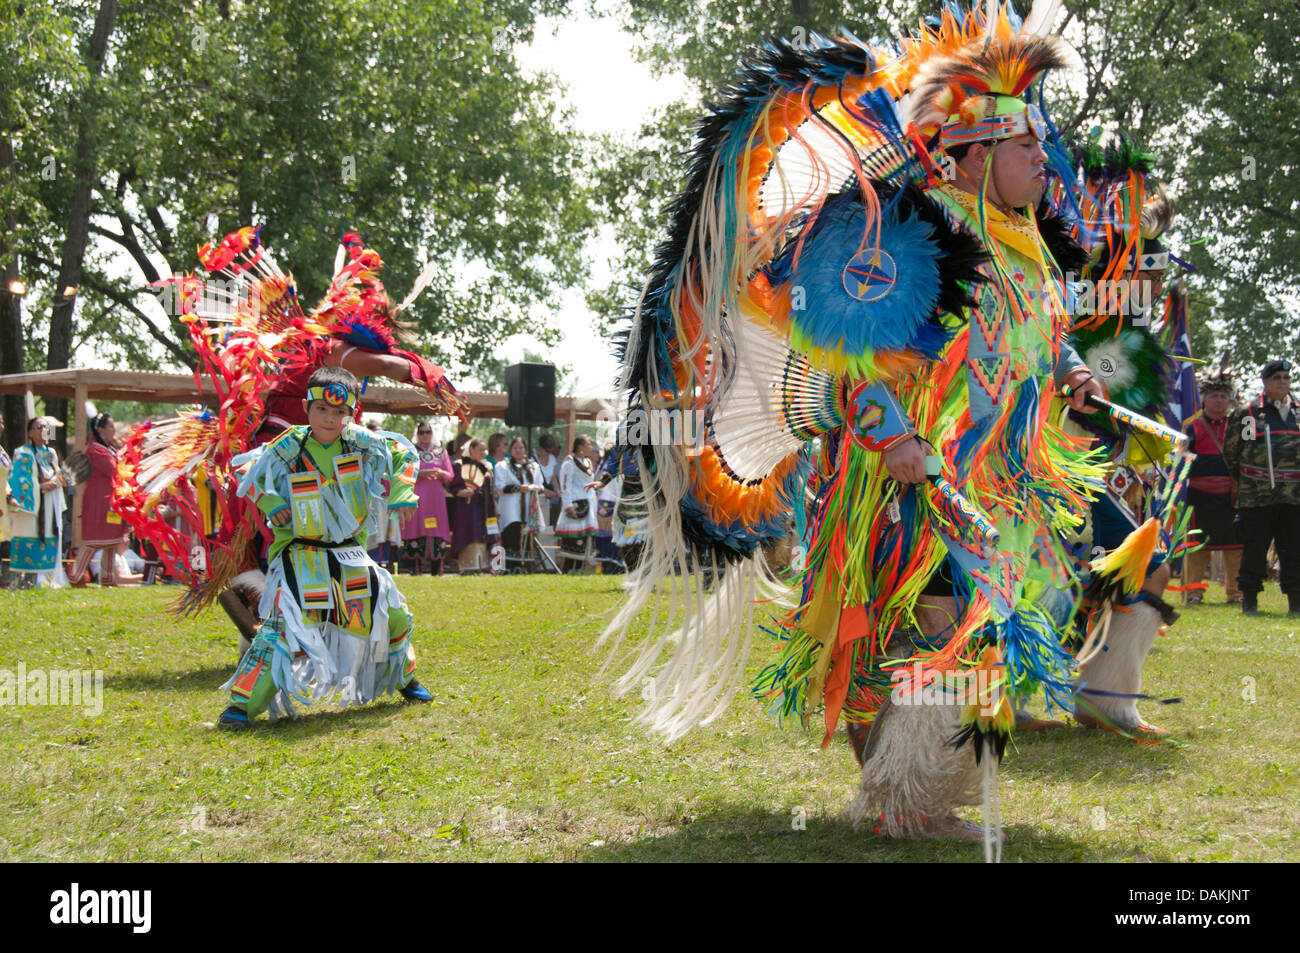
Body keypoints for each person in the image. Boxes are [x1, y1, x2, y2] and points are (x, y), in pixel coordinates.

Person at [600, 4, 1107, 848]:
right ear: (978, 151)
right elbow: (851, 356)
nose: (1041, 160)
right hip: (899, 476)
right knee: (930, 625)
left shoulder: (1027, 244)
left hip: (994, 479)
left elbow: (1037, 339)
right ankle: (903, 795)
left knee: (964, 627)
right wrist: (893, 437)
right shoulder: (913, 228)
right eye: (1026, 147)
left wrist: (1070, 372)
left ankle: (905, 792)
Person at [216, 365, 430, 728]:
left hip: (349, 553)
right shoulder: (289, 446)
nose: (330, 419)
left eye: (340, 412)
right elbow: (244, 471)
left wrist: (402, 491)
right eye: (322, 410)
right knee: (287, 626)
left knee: (391, 615)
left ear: (352, 413)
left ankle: (405, 679)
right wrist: (271, 502)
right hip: (301, 553)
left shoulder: (361, 441)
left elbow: (403, 453)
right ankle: (242, 705)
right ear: (306, 407)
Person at [1223, 360, 1300, 615]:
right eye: (1276, 377)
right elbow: (1233, 453)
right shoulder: (1250, 413)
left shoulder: (1299, 411)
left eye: (1286, 377)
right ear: (1265, 382)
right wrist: (1247, 479)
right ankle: (1250, 600)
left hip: (1294, 496)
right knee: (1255, 549)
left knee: (1293, 550)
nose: (1282, 382)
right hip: (1257, 495)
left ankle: (1296, 602)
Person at [1183, 373, 1241, 603]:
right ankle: (1194, 592)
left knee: (1236, 547)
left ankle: (1237, 593)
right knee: (1197, 547)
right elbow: (1182, 461)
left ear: (1230, 400)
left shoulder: (1238, 426)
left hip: (1232, 496)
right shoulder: (1192, 427)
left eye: (1223, 396)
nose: (1219, 400)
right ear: (1204, 399)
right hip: (1200, 497)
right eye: (1214, 395)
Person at [68, 412, 133, 587]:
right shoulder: (94, 450)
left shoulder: (108, 449)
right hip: (98, 501)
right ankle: (76, 577)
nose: (114, 430)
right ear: (101, 430)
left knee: (111, 542)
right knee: (93, 541)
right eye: (110, 426)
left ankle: (107, 579)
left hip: (110, 501)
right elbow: (114, 470)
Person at [8, 416, 69, 588]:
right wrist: (41, 486)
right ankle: (25, 579)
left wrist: (58, 481)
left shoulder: (51, 453)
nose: (45, 429)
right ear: (30, 432)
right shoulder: (22, 453)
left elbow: (57, 474)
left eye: (47, 426)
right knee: (30, 535)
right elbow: (20, 479)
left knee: (49, 536)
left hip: (50, 506)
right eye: (39, 426)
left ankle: (46, 579)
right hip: (31, 507)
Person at [402, 420, 453, 574]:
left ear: (432, 433)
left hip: (435, 497)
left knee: (436, 527)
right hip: (417, 496)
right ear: (417, 434)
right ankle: (414, 568)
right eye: (421, 432)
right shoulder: (409, 451)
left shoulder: (441, 452)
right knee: (415, 526)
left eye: (428, 432)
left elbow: (450, 475)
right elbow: (403, 473)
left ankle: (436, 568)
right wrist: (419, 474)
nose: (425, 435)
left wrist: (441, 473)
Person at [493, 435, 545, 562]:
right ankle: (510, 566)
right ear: (511, 450)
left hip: (529, 506)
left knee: (529, 535)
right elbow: (500, 486)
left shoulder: (534, 466)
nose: (518, 450)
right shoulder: (502, 466)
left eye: (521, 447)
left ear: (525, 449)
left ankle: (527, 565)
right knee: (512, 532)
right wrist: (518, 488)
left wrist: (533, 487)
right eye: (515, 447)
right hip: (510, 507)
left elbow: (540, 485)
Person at [449, 437, 497, 572]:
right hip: (468, 507)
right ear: (471, 449)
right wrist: (462, 492)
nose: (484, 452)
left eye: (484, 449)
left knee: (484, 533)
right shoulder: (460, 465)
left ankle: (483, 565)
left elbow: (490, 488)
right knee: (469, 532)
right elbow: (453, 487)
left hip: (485, 507)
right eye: (480, 449)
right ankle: (468, 566)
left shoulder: (487, 466)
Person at [555, 435, 598, 572]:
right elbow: (565, 486)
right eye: (589, 444)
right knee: (573, 542)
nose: (591, 447)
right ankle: (567, 571)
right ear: (580, 447)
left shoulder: (588, 463)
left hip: (588, 506)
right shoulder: (569, 463)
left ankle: (579, 570)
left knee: (584, 542)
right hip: (575, 507)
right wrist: (568, 506)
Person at [534, 433, 563, 527]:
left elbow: (553, 478)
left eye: (550, 451)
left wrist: (557, 490)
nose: (548, 454)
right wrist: (547, 492)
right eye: (546, 451)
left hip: (549, 500)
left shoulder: (552, 459)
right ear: (540, 447)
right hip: (537, 498)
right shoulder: (532, 460)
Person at [0, 412, 13, 588]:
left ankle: (3, 581)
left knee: (3, 542)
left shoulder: (1, 449)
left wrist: (10, 495)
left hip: (3, 502)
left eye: (2, 422)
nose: (2, 426)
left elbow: (6, 478)